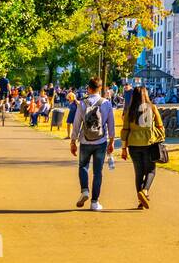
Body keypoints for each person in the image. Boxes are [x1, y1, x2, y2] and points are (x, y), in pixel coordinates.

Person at [70, 77, 115, 211]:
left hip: (85, 141)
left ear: (88, 88)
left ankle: (84, 190)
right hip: (100, 141)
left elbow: (77, 123)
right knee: (98, 172)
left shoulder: (83, 103)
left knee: (83, 166)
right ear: (100, 88)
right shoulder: (106, 103)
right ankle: (95, 202)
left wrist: (73, 141)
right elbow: (111, 125)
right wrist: (111, 141)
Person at [121, 85, 165, 209]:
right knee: (151, 170)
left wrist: (124, 148)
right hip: (148, 143)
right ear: (146, 95)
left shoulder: (130, 110)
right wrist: (159, 137)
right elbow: (160, 125)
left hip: (133, 144)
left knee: (138, 172)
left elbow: (125, 130)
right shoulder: (152, 107)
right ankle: (145, 191)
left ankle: (140, 201)